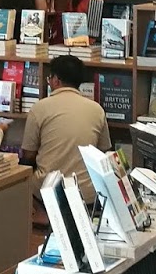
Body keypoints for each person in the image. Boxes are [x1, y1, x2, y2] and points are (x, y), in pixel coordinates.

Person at [20, 56, 110, 203]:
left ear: (56, 80)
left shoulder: (39, 108)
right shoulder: (97, 110)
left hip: (48, 190)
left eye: (49, 78)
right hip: (87, 193)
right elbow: (103, 152)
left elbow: (28, 155)